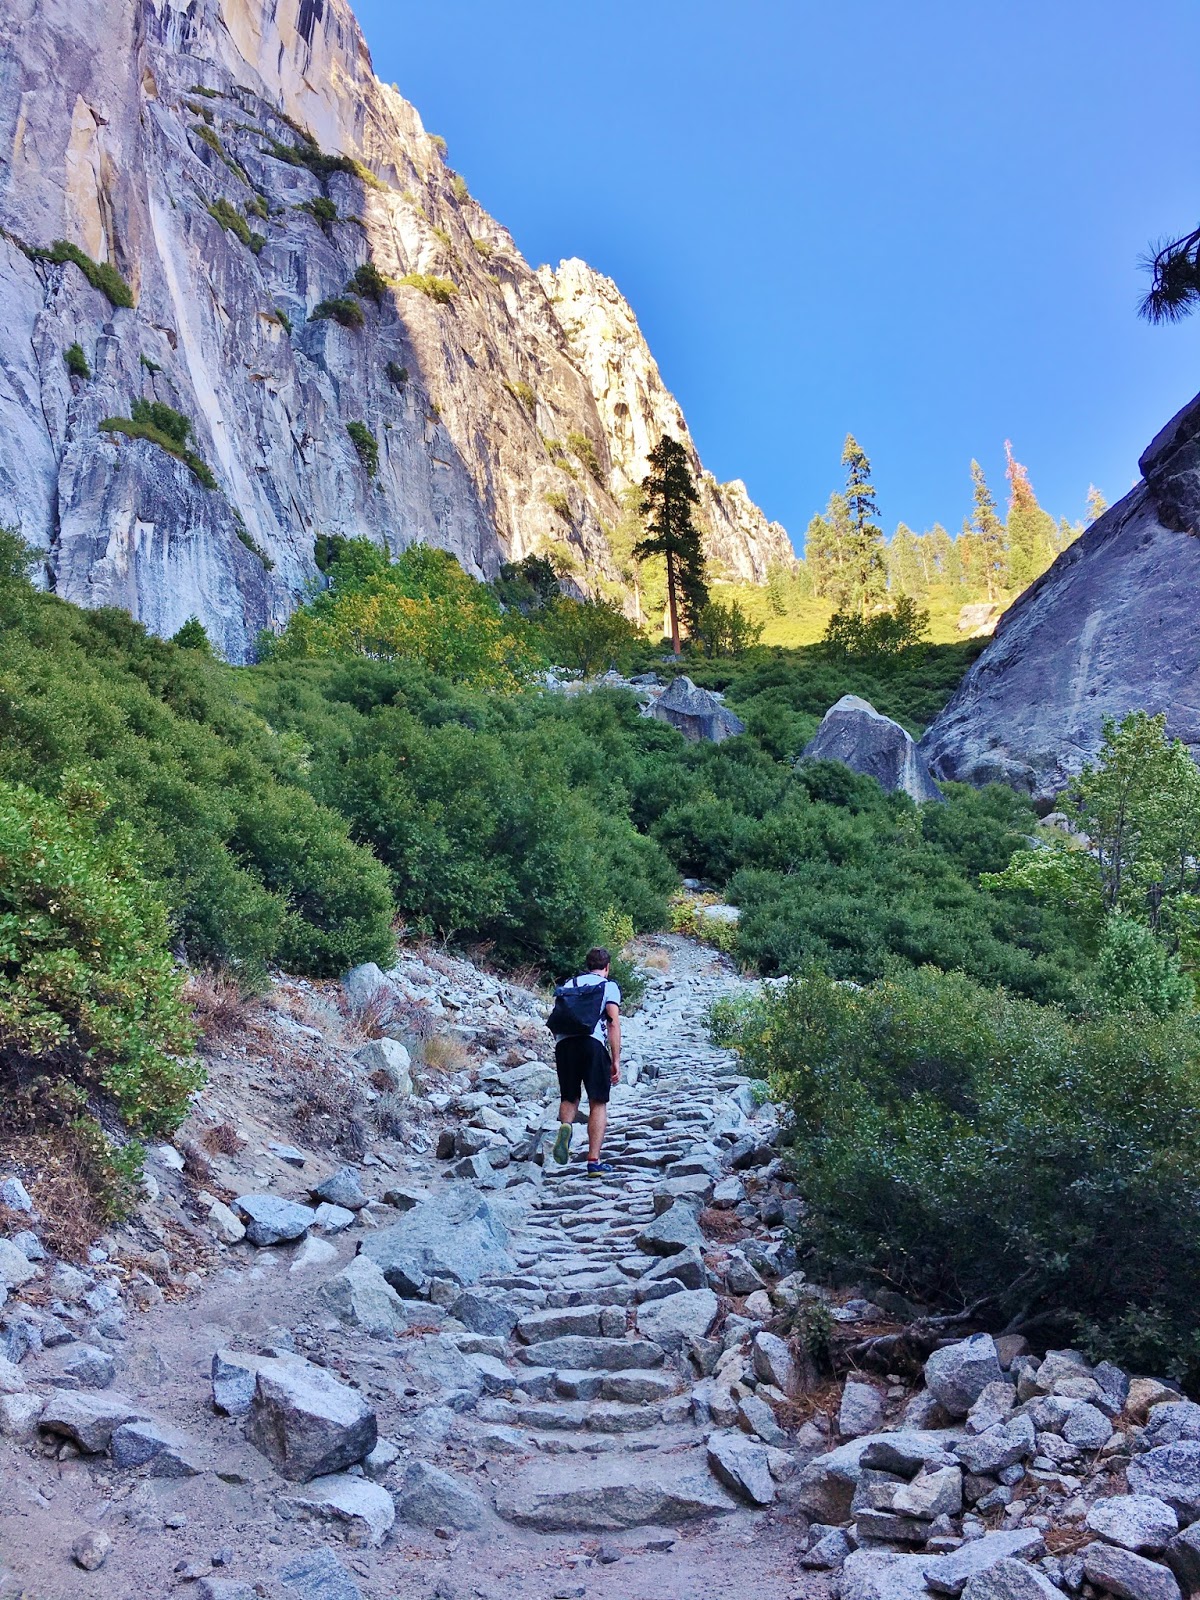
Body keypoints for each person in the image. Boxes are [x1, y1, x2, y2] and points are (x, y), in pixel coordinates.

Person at [551, 946, 621, 1175]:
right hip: (592, 1044)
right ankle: (593, 1161)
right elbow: (612, 1022)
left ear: (587, 965)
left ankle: (565, 1127)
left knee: (569, 1096)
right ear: (607, 967)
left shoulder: (570, 984)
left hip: (564, 1044)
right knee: (598, 1101)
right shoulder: (608, 986)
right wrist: (615, 1060)